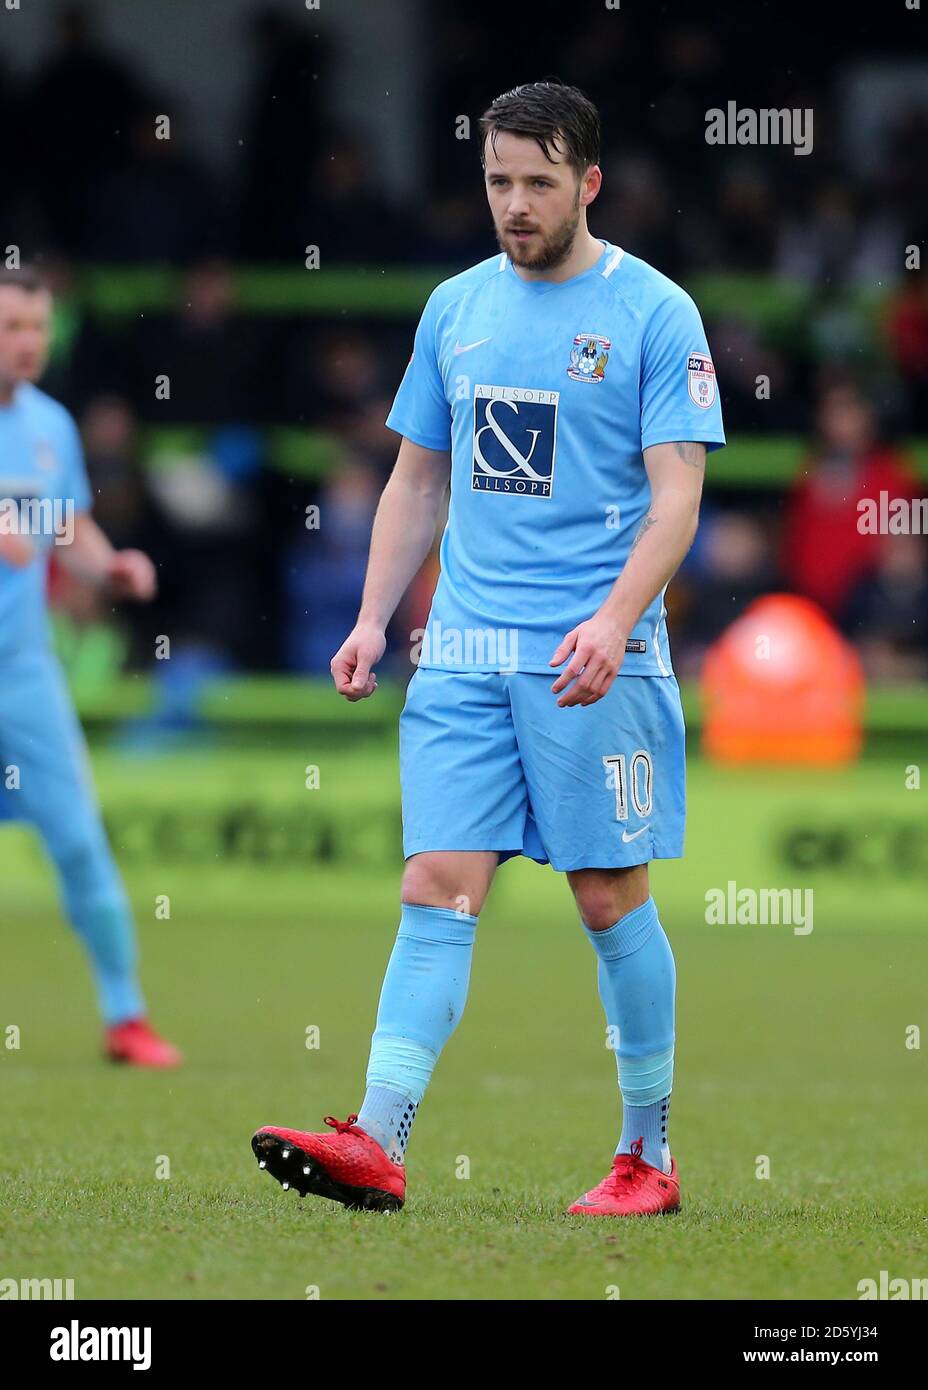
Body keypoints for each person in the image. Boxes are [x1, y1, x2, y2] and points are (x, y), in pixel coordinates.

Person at [253, 81, 724, 1215]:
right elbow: (418, 476)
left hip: (586, 657)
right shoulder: (454, 308)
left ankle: (646, 1157)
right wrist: (374, 617)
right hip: (460, 647)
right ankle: (377, 1137)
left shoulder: (656, 313)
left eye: (537, 184)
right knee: (436, 886)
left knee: (609, 900)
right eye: (498, 182)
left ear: (589, 184)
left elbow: (678, 498)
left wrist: (615, 620)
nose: (514, 205)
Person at [0, 266, 181, 1067]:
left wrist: (111, 567)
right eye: (12, 327)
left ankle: (125, 1016)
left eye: (38, 327)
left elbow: (66, 530)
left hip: (24, 670)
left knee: (77, 839)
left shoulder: (49, 426)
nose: (28, 343)